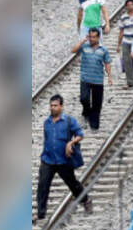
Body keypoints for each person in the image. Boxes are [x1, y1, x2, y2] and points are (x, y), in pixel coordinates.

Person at [36, 94, 92, 223]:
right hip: (48, 159)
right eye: (51, 106)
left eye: (55, 105)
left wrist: (70, 143)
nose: (52, 108)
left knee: (73, 184)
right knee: (42, 186)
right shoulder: (47, 122)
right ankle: (40, 214)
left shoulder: (68, 121)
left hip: (63, 160)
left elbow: (80, 134)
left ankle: (86, 200)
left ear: (61, 106)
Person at [71, 28, 112, 130]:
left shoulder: (103, 50)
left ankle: (94, 123)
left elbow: (107, 63)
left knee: (97, 103)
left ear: (98, 37)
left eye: (94, 37)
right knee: (84, 98)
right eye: (90, 37)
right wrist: (82, 41)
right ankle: (86, 111)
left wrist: (109, 76)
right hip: (85, 78)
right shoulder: (84, 47)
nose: (92, 39)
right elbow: (73, 50)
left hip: (98, 80)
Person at [117, 0, 133, 88]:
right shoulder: (123, 17)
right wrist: (118, 44)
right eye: (128, 5)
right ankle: (130, 81)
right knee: (127, 61)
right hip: (126, 41)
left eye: (131, 4)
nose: (130, 6)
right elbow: (121, 31)